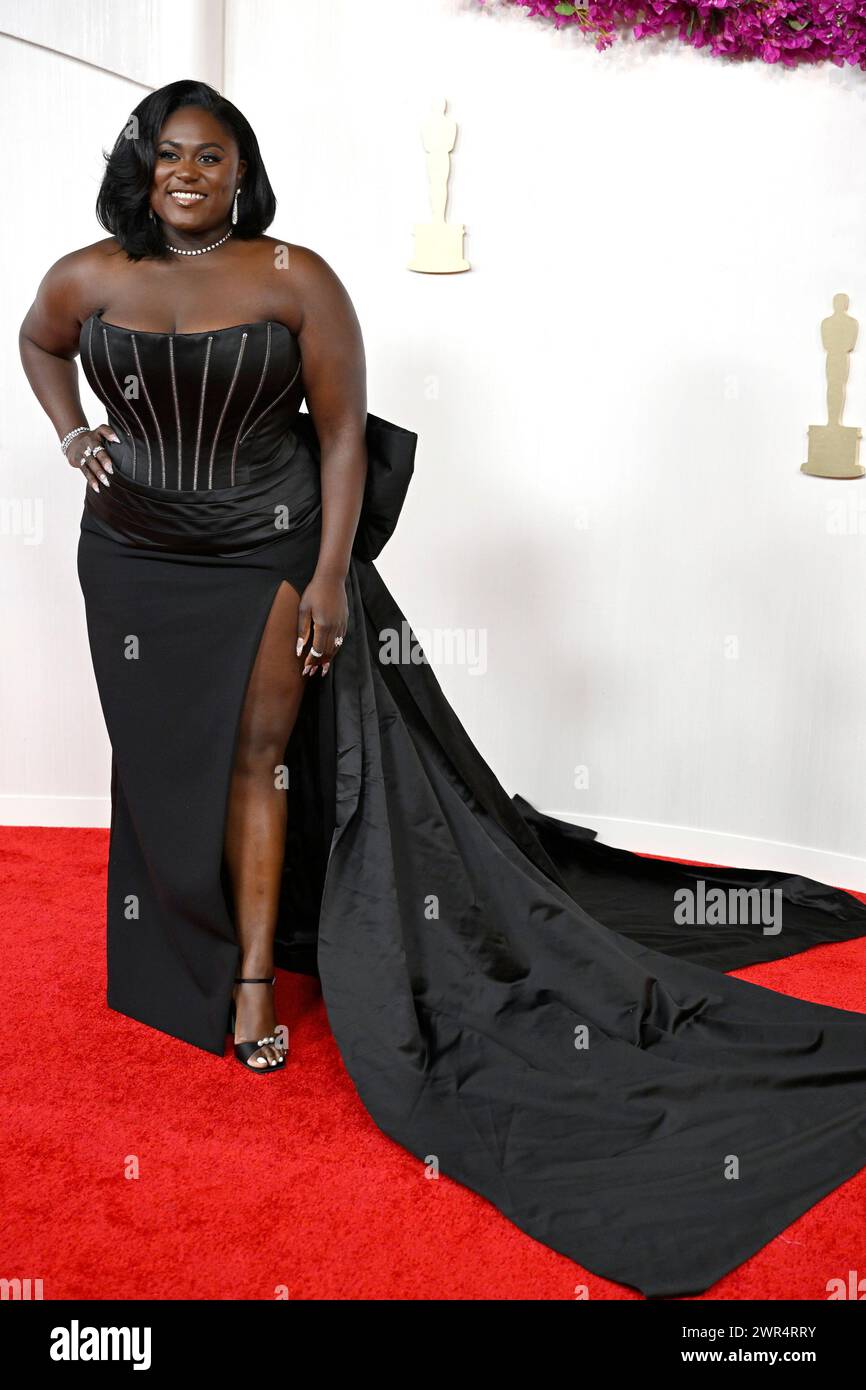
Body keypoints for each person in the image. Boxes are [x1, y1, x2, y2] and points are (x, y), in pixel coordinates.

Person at [19, 79, 866, 1298]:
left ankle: (254, 977)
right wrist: (74, 435)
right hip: (134, 556)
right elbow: (39, 345)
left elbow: (344, 435)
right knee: (160, 758)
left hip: (261, 545)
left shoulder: (295, 276)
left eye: (211, 157)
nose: (188, 174)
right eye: (167, 158)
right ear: (139, 168)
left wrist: (323, 583)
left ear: (243, 169)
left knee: (258, 758)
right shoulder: (87, 274)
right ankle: (179, 956)